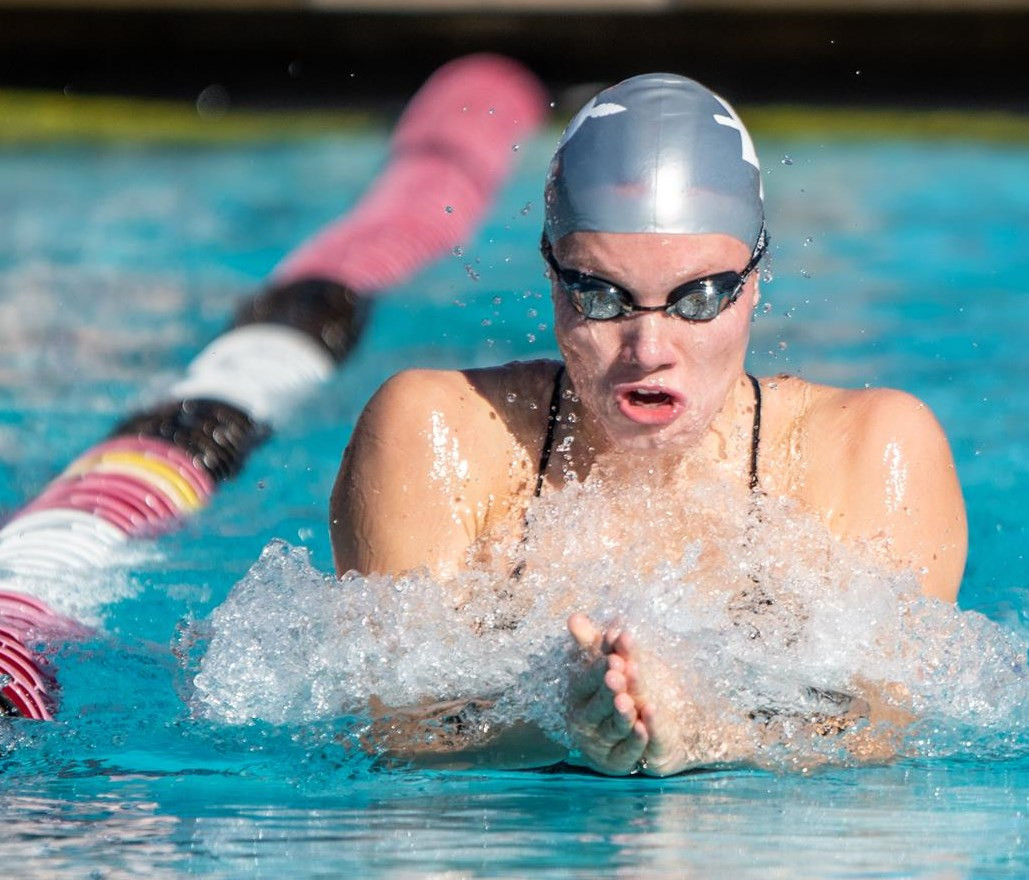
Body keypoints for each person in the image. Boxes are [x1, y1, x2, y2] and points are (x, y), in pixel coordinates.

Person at [330, 73, 967, 776]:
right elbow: (398, 735)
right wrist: (558, 721)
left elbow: (886, 738)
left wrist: (702, 732)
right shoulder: (440, 434)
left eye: (698, 298)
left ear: (754, 280)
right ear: (552, 275)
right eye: (601, 297)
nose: (650, 350)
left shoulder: (869, 450)